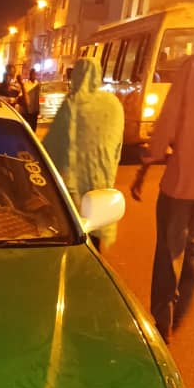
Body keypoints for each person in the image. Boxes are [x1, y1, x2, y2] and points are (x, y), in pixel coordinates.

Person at [130, 15, 194, 342]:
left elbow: (168, 119)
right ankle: (177, 319)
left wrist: (146, 165)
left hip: (182, 180)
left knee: (169, 249)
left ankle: (162, 321)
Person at [42, 55, 124, 250]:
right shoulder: (113, 104)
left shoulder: (72, 105)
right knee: (97, 227)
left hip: (73, 183)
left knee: (77, 232)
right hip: (102, 179)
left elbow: (51, 149)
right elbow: (117, 145)